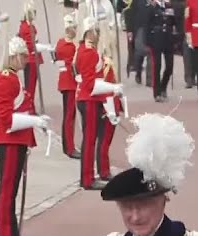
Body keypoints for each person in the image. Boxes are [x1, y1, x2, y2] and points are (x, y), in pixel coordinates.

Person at [0, 37, 49, 236]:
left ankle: (13, 233)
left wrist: (36, 121)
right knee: (7, 191)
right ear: (13, 56)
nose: (26, 60)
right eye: (23, 56)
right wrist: (34, 121)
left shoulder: (14, 77)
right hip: (9, 140)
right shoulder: (6, 79)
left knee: (12, 191)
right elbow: (6, 118)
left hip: (17, 140)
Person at [74, 14, 124, 190]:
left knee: (91, 139)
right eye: (96, 31)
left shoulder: (85, 50)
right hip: (89, 99)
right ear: (89, 32)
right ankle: (87, 179)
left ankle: (90, 175)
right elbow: (90, 85)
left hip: (89, 98)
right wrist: (113, 88)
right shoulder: (88, 53)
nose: (98, 34)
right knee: (89, 140)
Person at [54, 12, 80, 156]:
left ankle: (67, 145)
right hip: (70, 82)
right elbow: (74, 66)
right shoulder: (71, 47)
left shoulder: (60, 43)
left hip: (63, 80)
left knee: (68, 115)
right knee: (70, 116)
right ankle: (69, 147)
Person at [145, 0, 182, 101]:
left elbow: (175, 23)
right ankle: (157, 93)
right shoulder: (151, 7)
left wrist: (176, 39)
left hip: (168, 39)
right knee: (157, 66)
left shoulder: (169, 6)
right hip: (155, 39)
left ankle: (163, 86)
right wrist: (147, 42)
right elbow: (146, 25)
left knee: (169, 67)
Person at [17, 1, 51, 107]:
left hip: (32, 58)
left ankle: (30, 105)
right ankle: (29, 106)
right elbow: (31, 45)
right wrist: (44, 47)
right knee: (30, 86)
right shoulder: (27, 27)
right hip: (31, 58)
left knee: (31, 85)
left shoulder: (28, 26)